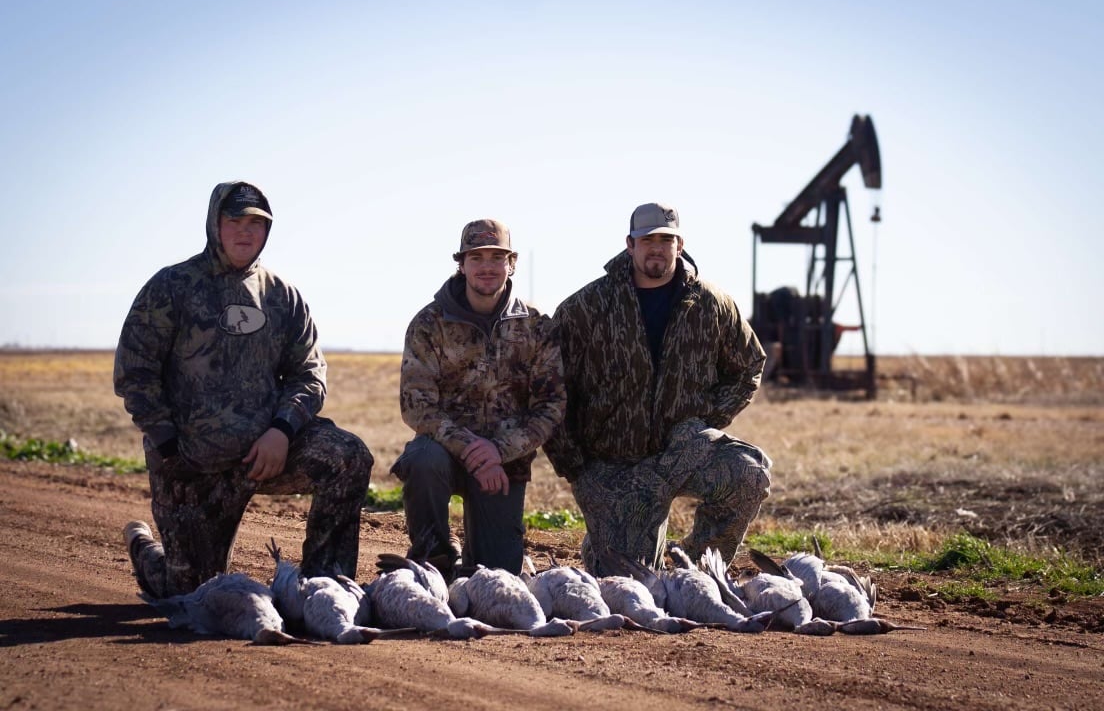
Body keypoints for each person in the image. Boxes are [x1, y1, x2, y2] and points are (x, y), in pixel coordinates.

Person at [114, 181, 374, 599]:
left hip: (267, 454)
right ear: (214, 223)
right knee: (189, 594)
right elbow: (135, 373)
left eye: (256, 223)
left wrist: (282, 430)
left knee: (347, 456)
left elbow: (310, 373)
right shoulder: (171, 287)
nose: (245, 231)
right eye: (234, 220)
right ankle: (145, 549)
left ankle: (324, 589)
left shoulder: (281, 296)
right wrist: (167, 446)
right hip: (191, 464)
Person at [544, 202, 772, 576]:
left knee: (748, 474)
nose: (656, 248)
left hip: (685, 450)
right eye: (647, 239)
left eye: (666, 239)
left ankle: (694, 572)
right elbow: (550, 385)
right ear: (629, 244)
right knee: (629, 581)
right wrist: (574, 466)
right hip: (614, 463)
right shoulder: (587, 307)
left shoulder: (711, 304)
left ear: (679, 245)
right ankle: (609, 539)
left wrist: (706, 421)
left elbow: (749, 365)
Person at [392, 219, 564, 577]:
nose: (487, 267)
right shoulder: (429, 323)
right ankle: (434, 556)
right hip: (446, 455)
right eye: (477, 257)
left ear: (512, 263)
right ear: (461, 264)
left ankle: (475, 553)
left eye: (496, 258)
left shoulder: (536, 326)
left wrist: (498, 452)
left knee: (494, 575)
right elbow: (416, 406)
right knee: (423, 458)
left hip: (504, 465)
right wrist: (472, 448)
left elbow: (551, 407)